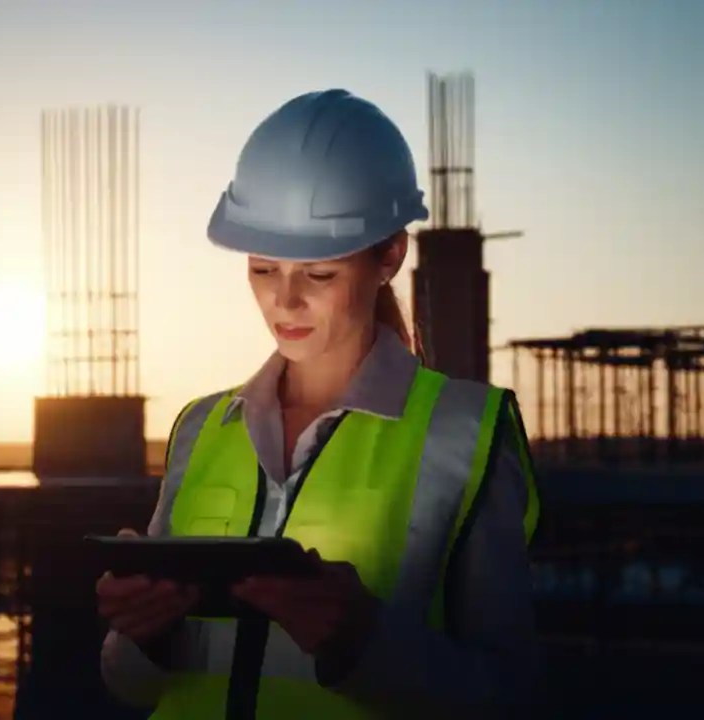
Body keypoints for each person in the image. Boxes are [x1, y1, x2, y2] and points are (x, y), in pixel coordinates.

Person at [96, 88, 542, 719]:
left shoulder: (466, 435)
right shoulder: (201, 428)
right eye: (263, 269)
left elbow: (510, 696)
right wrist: (145, 636)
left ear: (390, 256)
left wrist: (361, 640)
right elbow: (133, 687)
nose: (285, 301)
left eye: (320, 274)